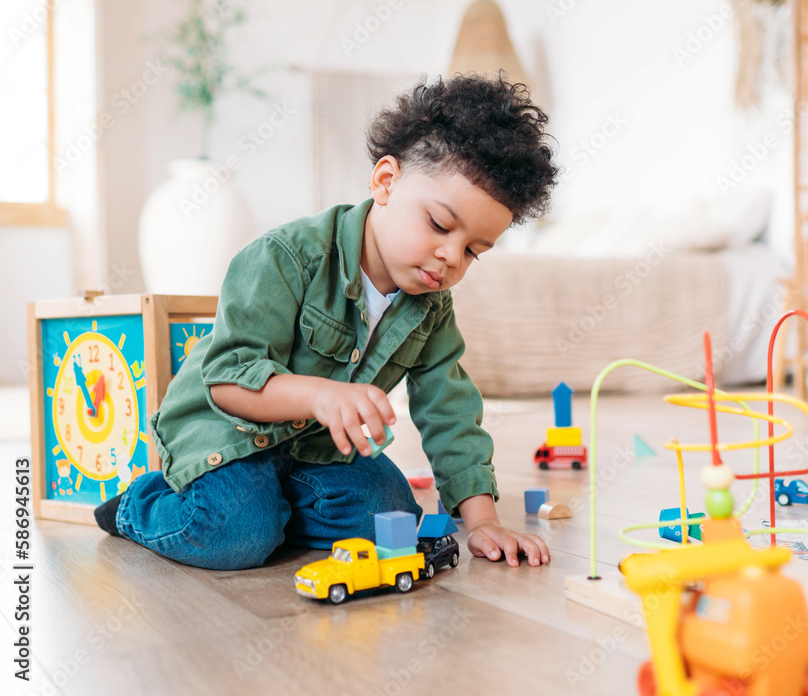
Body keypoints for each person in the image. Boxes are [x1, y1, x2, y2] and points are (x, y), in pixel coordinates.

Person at [94, 75, 559, 571]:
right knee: (235, 537)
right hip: (225, 435)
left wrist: (482, 520)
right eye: (440, 225)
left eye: (472, 251)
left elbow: (450, 413)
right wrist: (320, 395)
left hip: (312, 451)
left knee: (389, 515)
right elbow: (228, 382)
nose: (450, 256)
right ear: (386, 182)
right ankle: (139, 504)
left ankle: (269, 509)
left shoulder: (432, 308)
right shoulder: (286, 257)